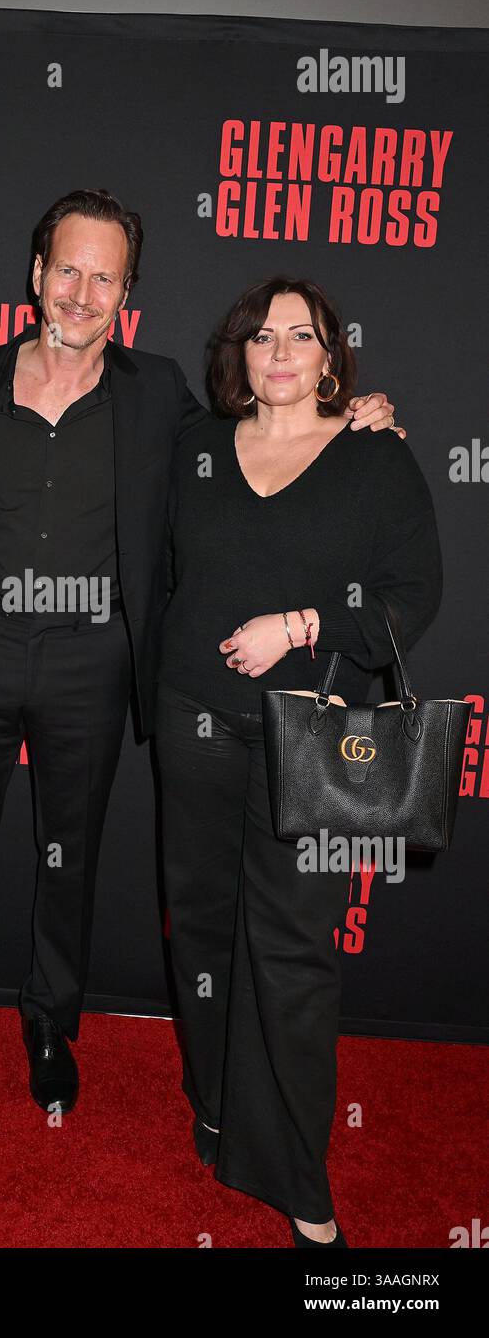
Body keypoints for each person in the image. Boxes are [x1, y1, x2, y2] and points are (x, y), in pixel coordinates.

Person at [0, 191, 399, 1117]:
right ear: (36, 275)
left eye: (105, 276)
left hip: (92, 657)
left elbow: (265, 432)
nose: (83, 292)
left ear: (126, 292)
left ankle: (51, 1019)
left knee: (70, 853)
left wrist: (355, 420)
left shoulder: (158, 395)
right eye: (68, 269)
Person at [155, 276, 442, 1246]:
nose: (277, 351)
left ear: (330, 355)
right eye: (260, 336)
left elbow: (411, 596)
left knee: (291, 954)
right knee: (198, 930)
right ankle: (215, 1104)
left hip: (312, 732)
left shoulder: (372, 458)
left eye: (300, 336)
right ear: (238, 354)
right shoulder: (195, 447)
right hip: (191, 719)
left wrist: (304, 624)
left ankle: (299, 1179)